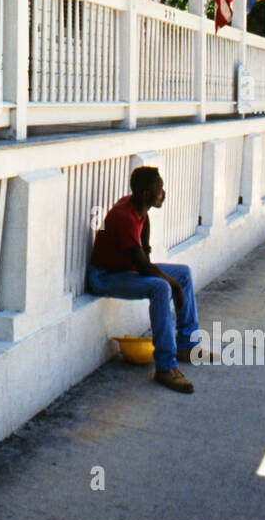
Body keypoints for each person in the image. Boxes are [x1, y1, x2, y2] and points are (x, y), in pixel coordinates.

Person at [86, 166, 208, 394]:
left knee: (184, 273)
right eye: (159, 189)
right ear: (145, 194)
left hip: (126, 270)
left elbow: (144, 228)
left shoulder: (138, 207)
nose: (163, 193)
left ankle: (187, 345)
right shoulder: (124, 217)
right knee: (162, 287)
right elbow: (143, 267)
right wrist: (173, 286)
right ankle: (165, 367)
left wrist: (147, 248)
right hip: (104, 277)